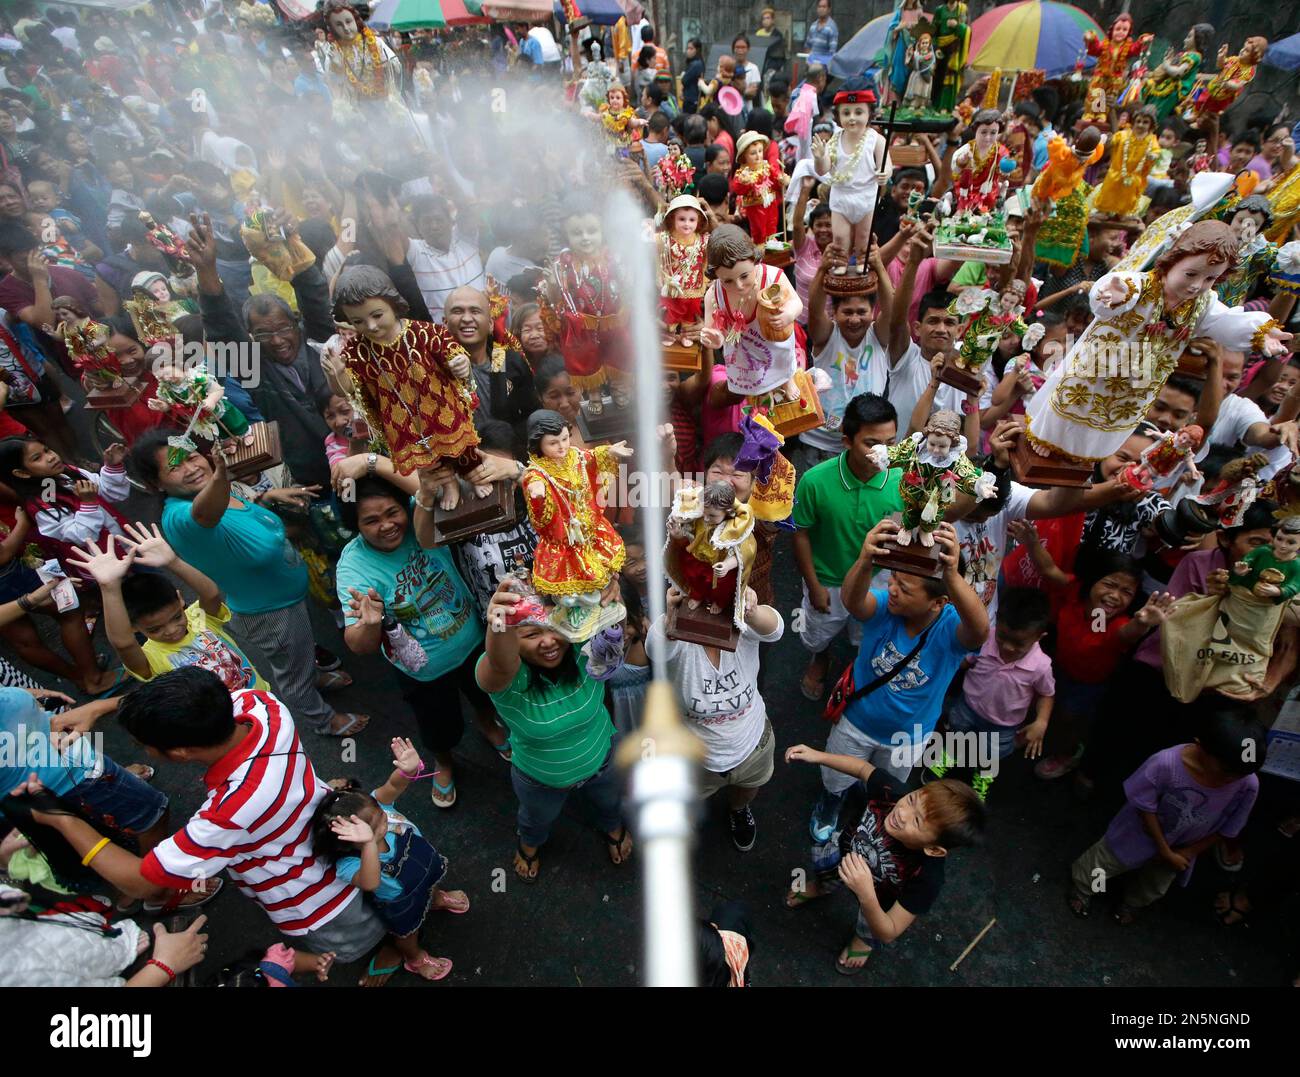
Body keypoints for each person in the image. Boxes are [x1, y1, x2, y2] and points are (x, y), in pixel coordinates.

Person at [19, 669, 399, 984]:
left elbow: (141, 880)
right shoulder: (263, 707)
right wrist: (103, 706)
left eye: (142, 743)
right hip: (336, 840)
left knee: (355, 937)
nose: (141, 749)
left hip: (314, 898)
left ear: (181, 753)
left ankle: (389, 947)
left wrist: (60, 818)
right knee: (381, 891)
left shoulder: (230, 813)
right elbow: (194, 704)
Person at [129, 430, 368, 738]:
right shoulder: (181, 516)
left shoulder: (218, 490)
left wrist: (265, 497)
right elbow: (204, 513)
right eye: (175, 467)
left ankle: (311, 675)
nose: (190, 468)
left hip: (289, 597)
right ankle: (322, 720)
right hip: (271, 614)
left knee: (299, 654)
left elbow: (235, 508)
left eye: (191, 456)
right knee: (291, 677)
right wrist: (221, 475)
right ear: (157, 484)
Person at [806, 516, 989, 843]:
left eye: (904, 588)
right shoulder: (884, 607)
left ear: (939, 602)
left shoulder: (949, 628)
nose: (891, 589)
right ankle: (832, 802)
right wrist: (865, 560)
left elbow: (980, 630)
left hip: (908, 738)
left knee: (886, 788)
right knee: (836, 777)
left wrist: (952, 576)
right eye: (893, 579)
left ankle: (872, 811)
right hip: (856, 723)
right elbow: (852, 601)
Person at [335, 471, 509, 808]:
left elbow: (434, 487)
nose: (386, 525)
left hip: (473, 639)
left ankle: (489, 726)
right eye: (371, 520)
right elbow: (359, 644)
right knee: (439, 729)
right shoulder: (353, 568)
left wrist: (370, 461)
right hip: (422, 671)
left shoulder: (421, 513)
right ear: (356, 526)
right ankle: (444, 763)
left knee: (485, 695)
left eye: (392, 512)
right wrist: (369, 623)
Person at [476, 576, 631, 884]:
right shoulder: (509, 679)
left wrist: (611, 592)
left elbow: (615, 631)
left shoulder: (584, 648)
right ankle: (530, 844)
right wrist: (500, 624)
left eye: (554, 628)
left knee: (610, 801)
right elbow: (500, 663)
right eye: (531, 634)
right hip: (541, 780)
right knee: (536, 818)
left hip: (602, 758)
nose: (547, 642)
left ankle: (613, 825)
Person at [784, 740, 985, 974]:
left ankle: (863, 941)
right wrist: (817, 755)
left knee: (872, 929)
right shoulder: (892, 793)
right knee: (825, 868)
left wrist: (866, 894)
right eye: (911, 799)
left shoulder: (927, 878)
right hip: (843, 851)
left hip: (878, 902)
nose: (901, 813)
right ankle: (821, 886)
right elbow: (862, 769)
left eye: (917, 821)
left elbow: (889, 930)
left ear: (934, 849)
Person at [1069, 710, 1264, 923]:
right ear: (1200, 746)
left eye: (1242, 773)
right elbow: (1145, 807)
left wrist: (1187, 852)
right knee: (1106, 863)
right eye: (1227, 771)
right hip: (1139, 832)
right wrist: (1164, 849)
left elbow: (1228, 826)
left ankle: (1132, 903)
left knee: (1154, 884)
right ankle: (1085, 889)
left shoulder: (1247, 783)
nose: (1233, 779)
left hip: (1184, 848)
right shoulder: (1165, 764)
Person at [312, 737, 468, 982]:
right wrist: (368, 845)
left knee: (430, 886)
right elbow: (371, 882)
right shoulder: (349, 864)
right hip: (400, 902)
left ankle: (436, 898)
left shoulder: (379, 807)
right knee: (407, 933)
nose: (383, 822)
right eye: (373, 828)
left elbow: (393, 786)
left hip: (425, 870)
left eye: (379, 815)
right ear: (345, 842)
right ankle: (415, 958)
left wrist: (407, 769)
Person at [646, 584, 783, 851]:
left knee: (748, 785)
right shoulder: (675, 632)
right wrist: (672, 619)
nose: (711, 606)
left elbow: (776, 628)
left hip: (751, 741)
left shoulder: (741, 622)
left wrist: (752, 610)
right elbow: (656, 649)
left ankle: (739, 809)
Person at [792, 393, 903, 700]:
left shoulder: (903, 481)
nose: (883, 453)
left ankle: (859, 667)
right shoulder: (814, 481)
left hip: (878, 580)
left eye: (890, 443)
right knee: (818, 633)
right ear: (846, 441)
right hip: (828, 580)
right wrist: (814, 585)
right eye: (871, 443)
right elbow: (800, 534)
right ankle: (822, 657)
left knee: (867, 634)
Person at [71, 523, 262, 692]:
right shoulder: (151, 659)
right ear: (133, 627)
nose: (171, 630)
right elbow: (123, 643)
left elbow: (211, 594)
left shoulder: (198, 618)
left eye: (177, 617)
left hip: (266, 699)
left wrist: (174, 562)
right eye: (155, 629)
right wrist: (110, 588)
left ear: (180, 600)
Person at [926, 587, 1055, 800]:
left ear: (1039, 637)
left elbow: (1046, 694)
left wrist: (1041, 721)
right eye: (1003, 637)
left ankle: (982, 778)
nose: (1007, 646)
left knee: (990, 754)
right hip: (968, 706)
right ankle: (947, 758)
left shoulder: (1041, 666)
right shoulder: (985, 639)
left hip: (1003, 724)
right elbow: (965, 663)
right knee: (957, 735)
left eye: (1018, 643)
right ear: (996, 620)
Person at [804, 0, 839, 67]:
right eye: (819, 7)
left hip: (823, 69)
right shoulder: (813, 26)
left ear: (829, 9)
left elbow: (832, 52)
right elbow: (807, 46)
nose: (821, 9)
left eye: (824, 7)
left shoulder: (832, 27)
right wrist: (809, 61)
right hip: (811, 67)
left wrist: (821, 64)